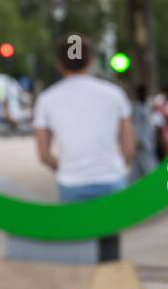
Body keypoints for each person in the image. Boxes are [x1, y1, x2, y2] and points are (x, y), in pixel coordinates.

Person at [33, 35, 135, 202]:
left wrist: (67, 169)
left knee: (75, 228)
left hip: (71, 183)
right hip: (111, 179)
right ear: (91, 61)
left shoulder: (46, 99)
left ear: (59, 64)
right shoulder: (115, 94)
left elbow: (43, 154)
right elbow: (129, 148)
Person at [129, 83, 160, 180]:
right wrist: (136, 140)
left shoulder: (149, 106)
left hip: (148, 141)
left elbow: (151, 124)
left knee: (144, 167)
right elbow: (134, 125)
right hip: (140, 142)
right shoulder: (135, 107)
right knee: (142, 168)